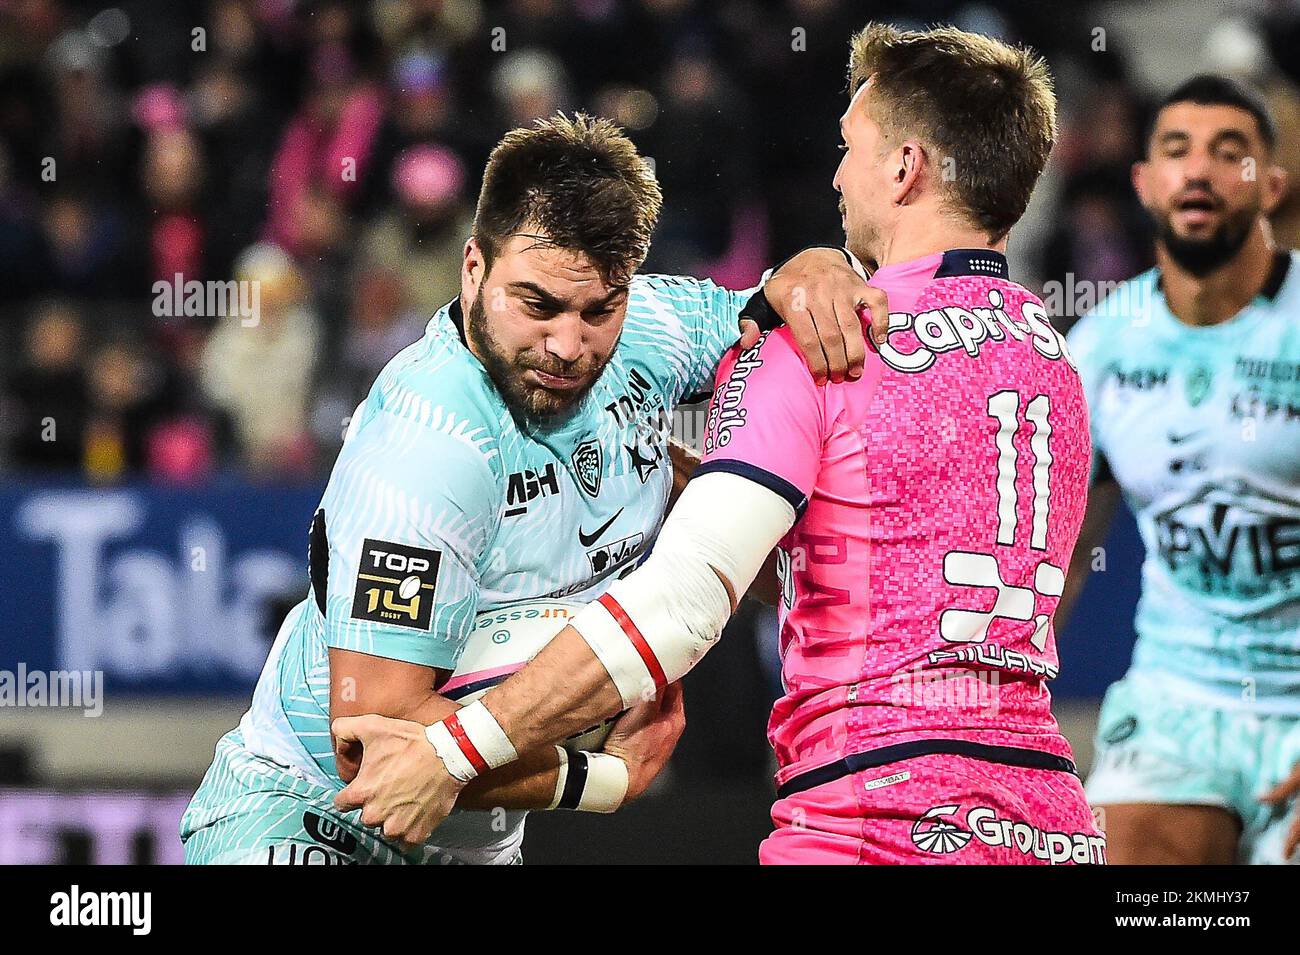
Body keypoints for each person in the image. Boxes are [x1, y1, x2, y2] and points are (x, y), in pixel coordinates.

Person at [335, 24, 1107, 865]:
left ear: (905, 167)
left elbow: (683, 605)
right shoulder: (1056, 357)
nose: (838, 173)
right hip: (1050, 819)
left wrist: (450, 757)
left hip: (874, 820)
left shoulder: (821, 347)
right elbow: (880, 571)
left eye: (851, 147)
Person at [180, 112, 885, 865]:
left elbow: (775, 310)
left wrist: (819, 267)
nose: (567, 345)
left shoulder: (651, 324)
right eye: (537, 305)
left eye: (598, 309)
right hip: (312, 815)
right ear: (473, 268)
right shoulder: (425, 451)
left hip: (476, 847)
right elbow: (374, 748)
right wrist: (603, 779)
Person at [1059, 75, 1300, 865]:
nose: (1198, 170)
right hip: (1175, 700)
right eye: (1176, 150)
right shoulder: (1102, 345)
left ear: (1271, 183)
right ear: (1144, 182)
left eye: (1228, 153)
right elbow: (1051, 561)